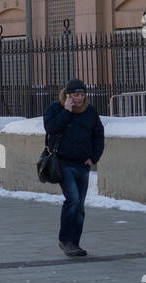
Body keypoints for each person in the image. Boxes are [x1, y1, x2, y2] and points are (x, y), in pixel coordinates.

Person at [43, 77, 105, 257]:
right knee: (73, 200)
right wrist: (67, 112)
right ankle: (65, 240)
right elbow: (51, 128)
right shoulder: (55, 109)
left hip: (82, 163)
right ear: (67, 95)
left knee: (80, 206)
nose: (80, 98)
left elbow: (98, 135)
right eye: (76, 95)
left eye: (82, 95)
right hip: (62, 162)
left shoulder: (90, 112)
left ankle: (74, 243)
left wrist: (93, 157)